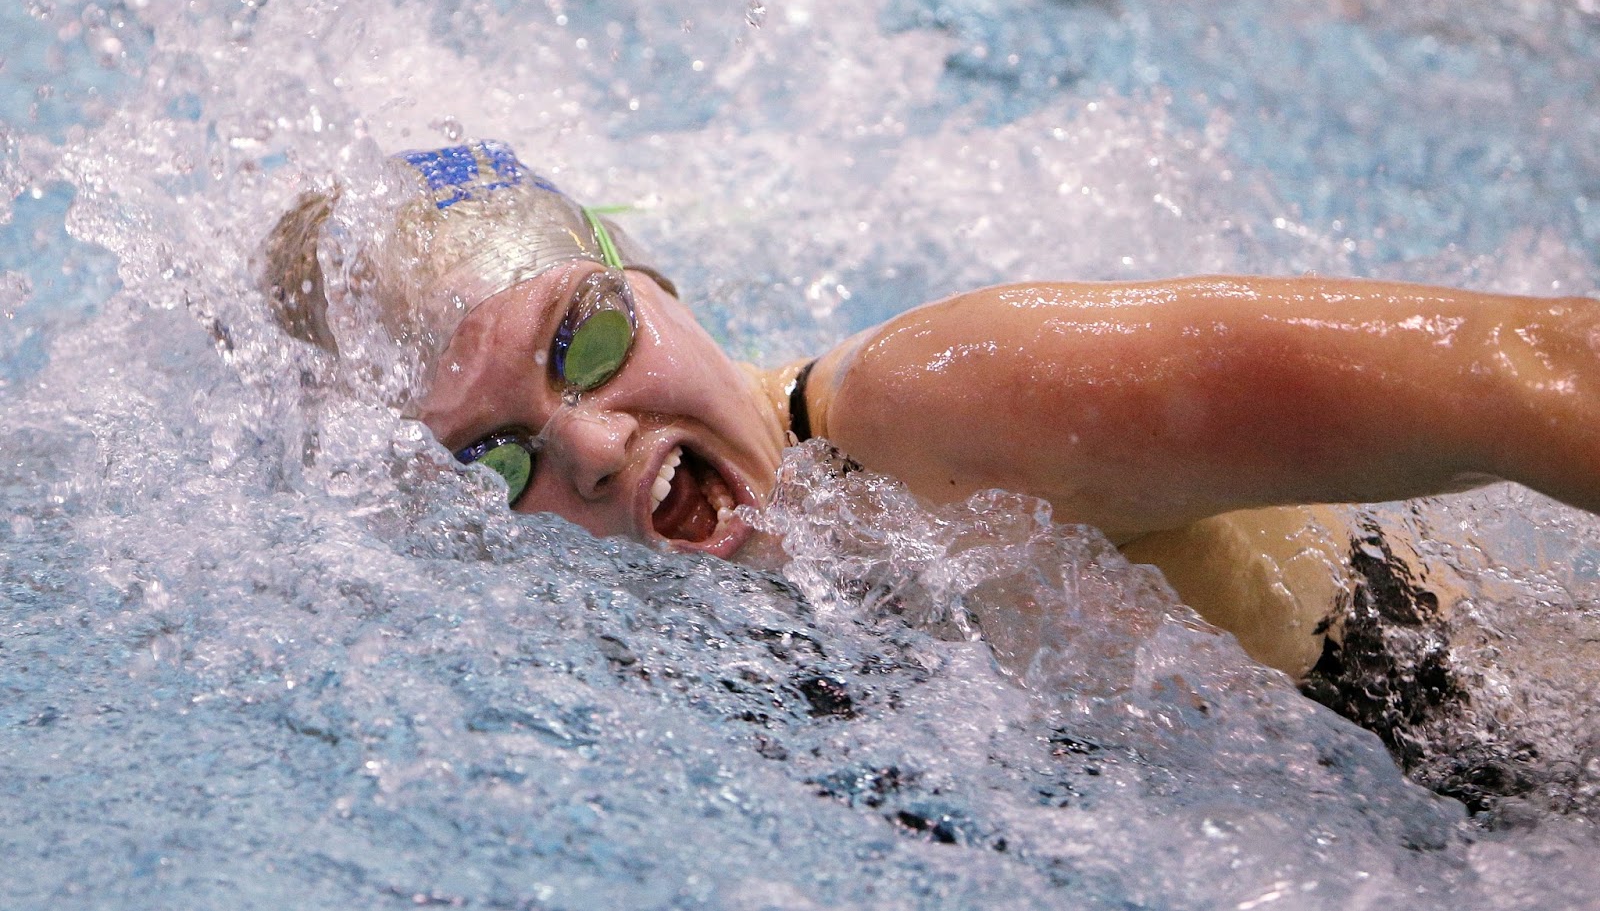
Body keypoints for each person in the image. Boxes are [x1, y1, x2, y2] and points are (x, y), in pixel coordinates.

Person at [261, 140, 1600, 770]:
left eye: (585, 345)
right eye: (499, 459)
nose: (596, 452)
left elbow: (1537, 371)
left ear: (647, 281)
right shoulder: (655, 628)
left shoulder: (947, 411)